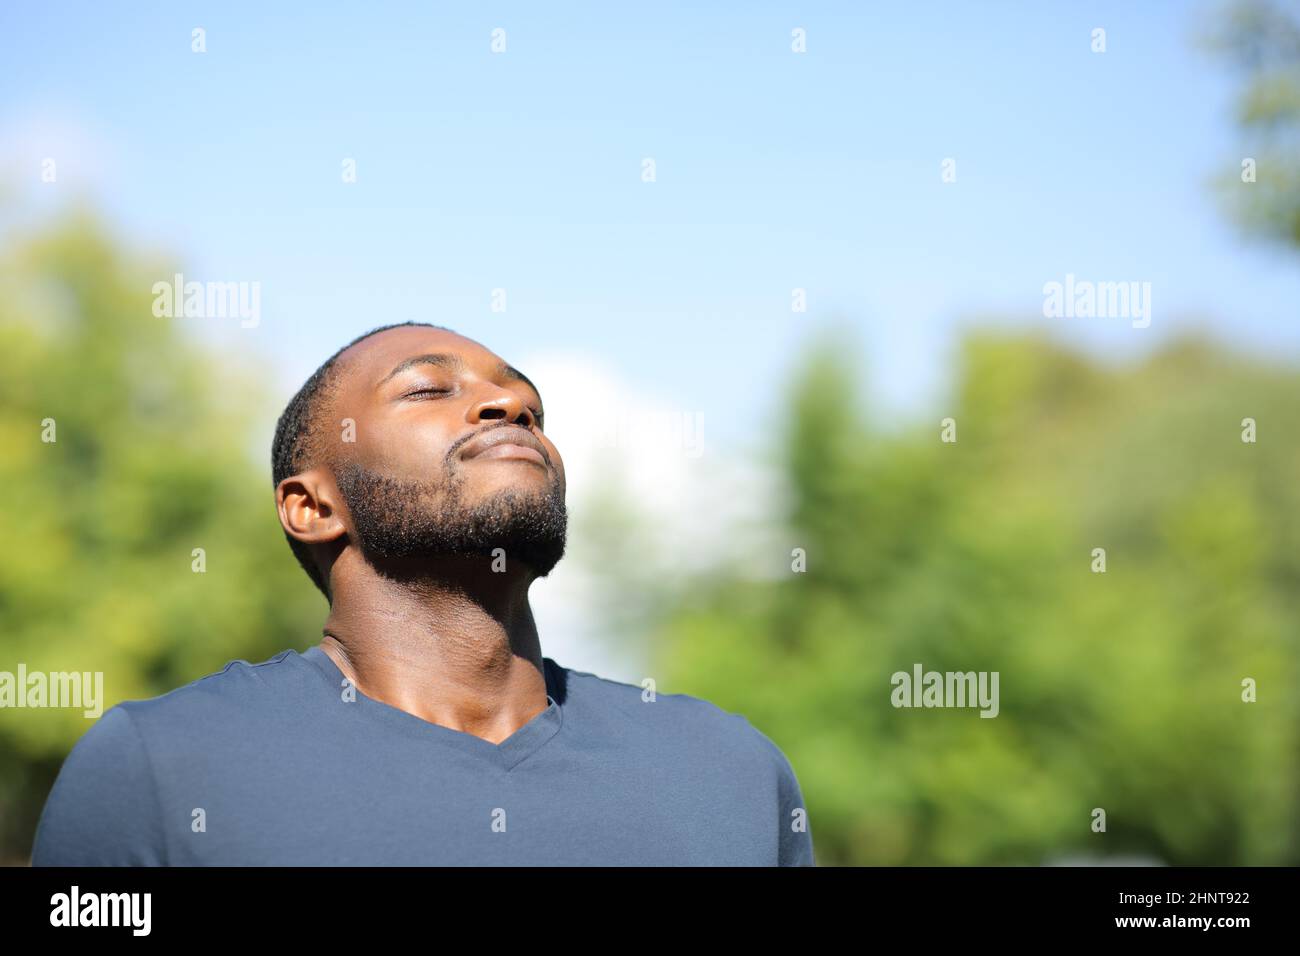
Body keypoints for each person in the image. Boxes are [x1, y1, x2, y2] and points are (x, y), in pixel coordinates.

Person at [31, 322, 815, 866]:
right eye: (428, 390)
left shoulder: (729, 774)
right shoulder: (160, 771)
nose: (508, 408)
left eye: (530, 407)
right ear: (312, 506)